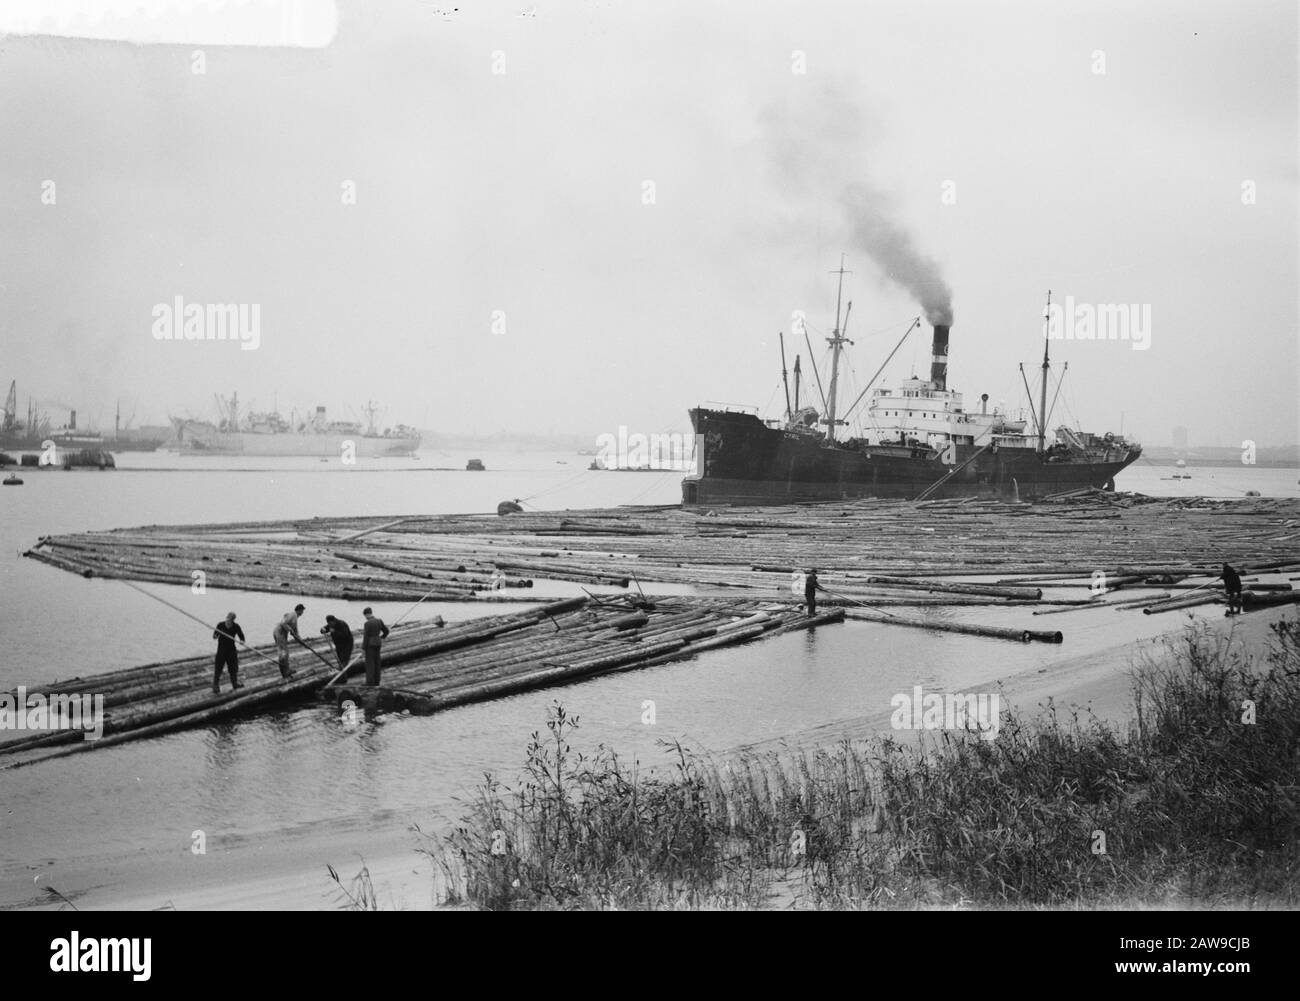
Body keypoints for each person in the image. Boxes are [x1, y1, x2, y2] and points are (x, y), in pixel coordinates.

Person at [211, 611, 246, 695]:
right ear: (226, 617)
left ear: (233, 620)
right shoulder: (220, 625)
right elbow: (214, 636)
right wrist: (216, 635)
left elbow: (241, 636)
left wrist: (242, 641)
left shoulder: (236, 626)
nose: (229, 620)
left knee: (233, 668)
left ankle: (235, 684)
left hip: (231, 650)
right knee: (218, 668)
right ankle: (215, 686)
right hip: (221, 650)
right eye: (228, 618)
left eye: (231, 619)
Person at [272, 603, 306, 679]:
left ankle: (287, 669)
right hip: (279, 632)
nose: (303, 612)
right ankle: (284, 671)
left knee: (285, 652)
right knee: (283, 652)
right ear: (299, 610)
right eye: (302, 611)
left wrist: (301, 642)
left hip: (282, 633)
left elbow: (296, 632)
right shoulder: (292, 615)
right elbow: (283, 623)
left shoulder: (295, 618)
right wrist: (290, 630)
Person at [362, 607, 390, 686]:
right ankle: (377, 681)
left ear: (367, 614)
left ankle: (370, 682)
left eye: (365, 616)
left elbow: (366, 637)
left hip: (370, 644)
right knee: (377, 662)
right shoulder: (379, 621)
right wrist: (381, 637)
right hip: (378, 643)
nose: (365, 618)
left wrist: (363, 648)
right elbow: (386, 631)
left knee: (370, 663)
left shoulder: (367, 623)